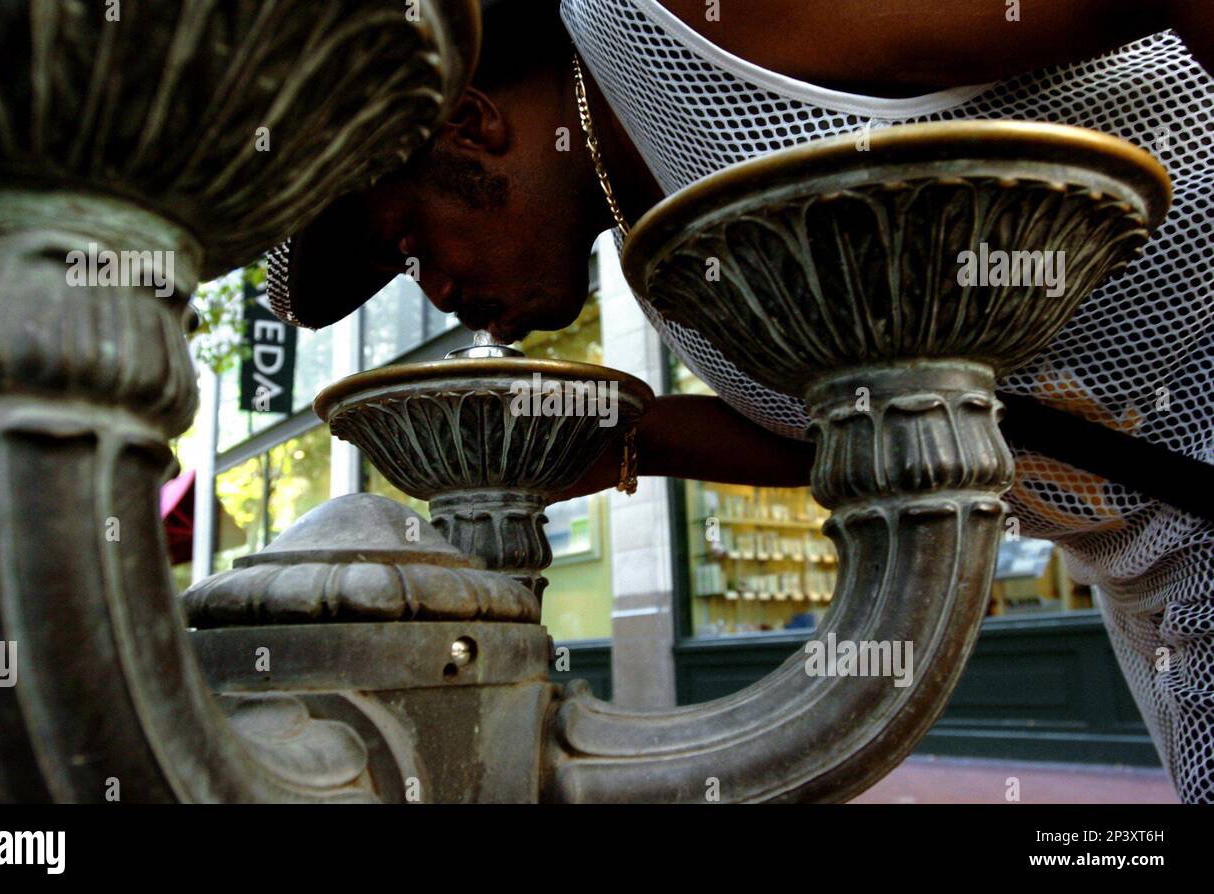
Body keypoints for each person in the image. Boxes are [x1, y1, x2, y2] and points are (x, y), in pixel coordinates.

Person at [266, 0, 1214, 801]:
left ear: (471, 125)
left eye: (409, 243)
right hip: (1159, 584)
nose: (432, 288)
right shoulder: (664, 264)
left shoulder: (680, 25)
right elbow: (880, 428)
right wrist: (622, 439)